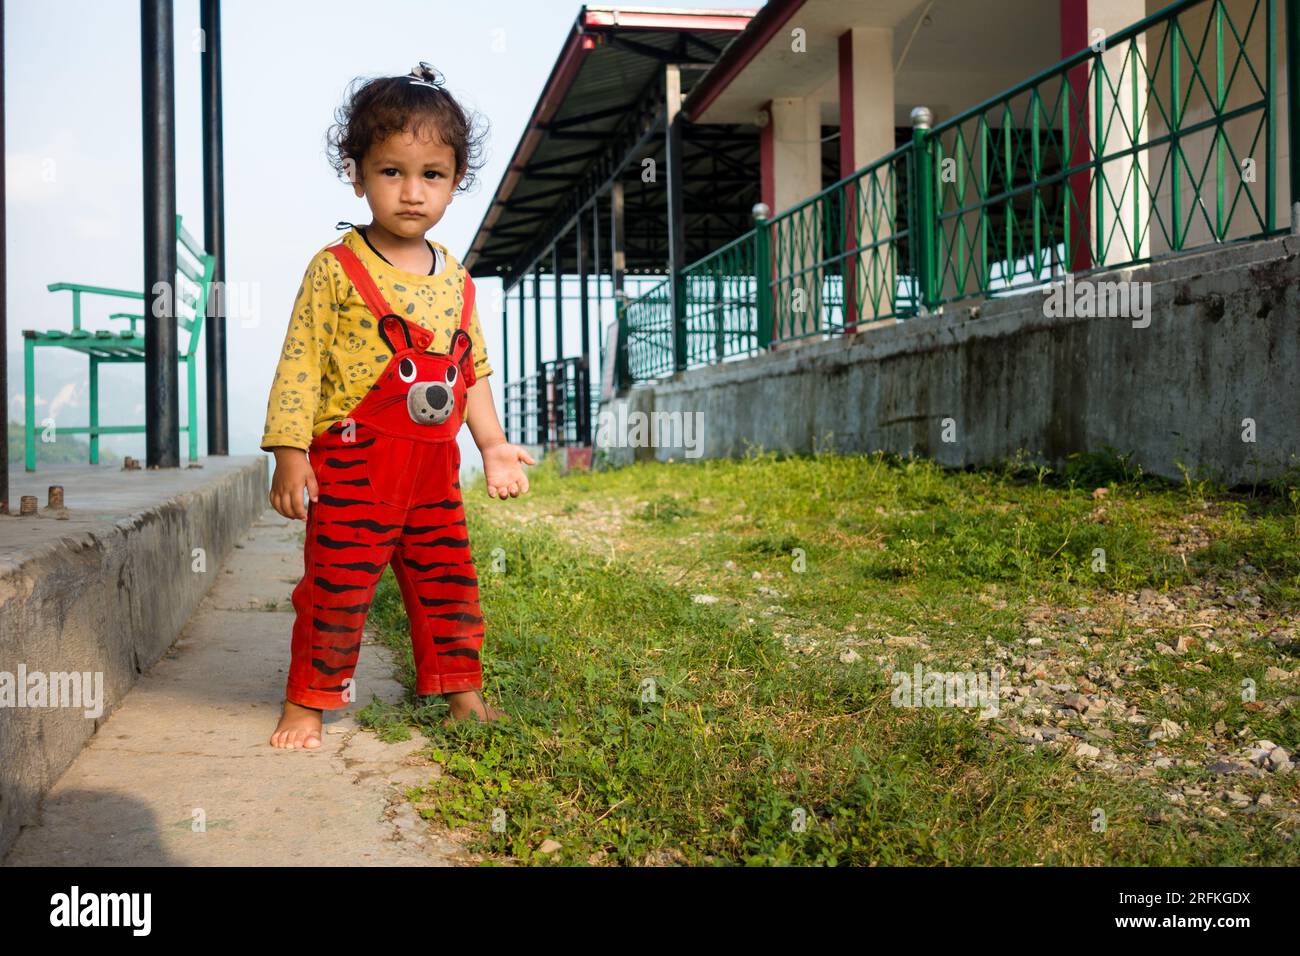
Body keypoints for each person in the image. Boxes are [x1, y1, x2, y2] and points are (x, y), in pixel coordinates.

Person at [260, 63, 535, 750]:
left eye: (433, 174)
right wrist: (291, 457)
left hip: (432, 472)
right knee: (337, 587)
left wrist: (493, 445)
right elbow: (300, 364)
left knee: (448, 581)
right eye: (391, 172)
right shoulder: (336, 268)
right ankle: (308, 701)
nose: (412, 192)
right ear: (357, 174)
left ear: (455, 179)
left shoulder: (459, 281)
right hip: (353, 466)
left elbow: (470, 372)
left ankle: (462, 693)